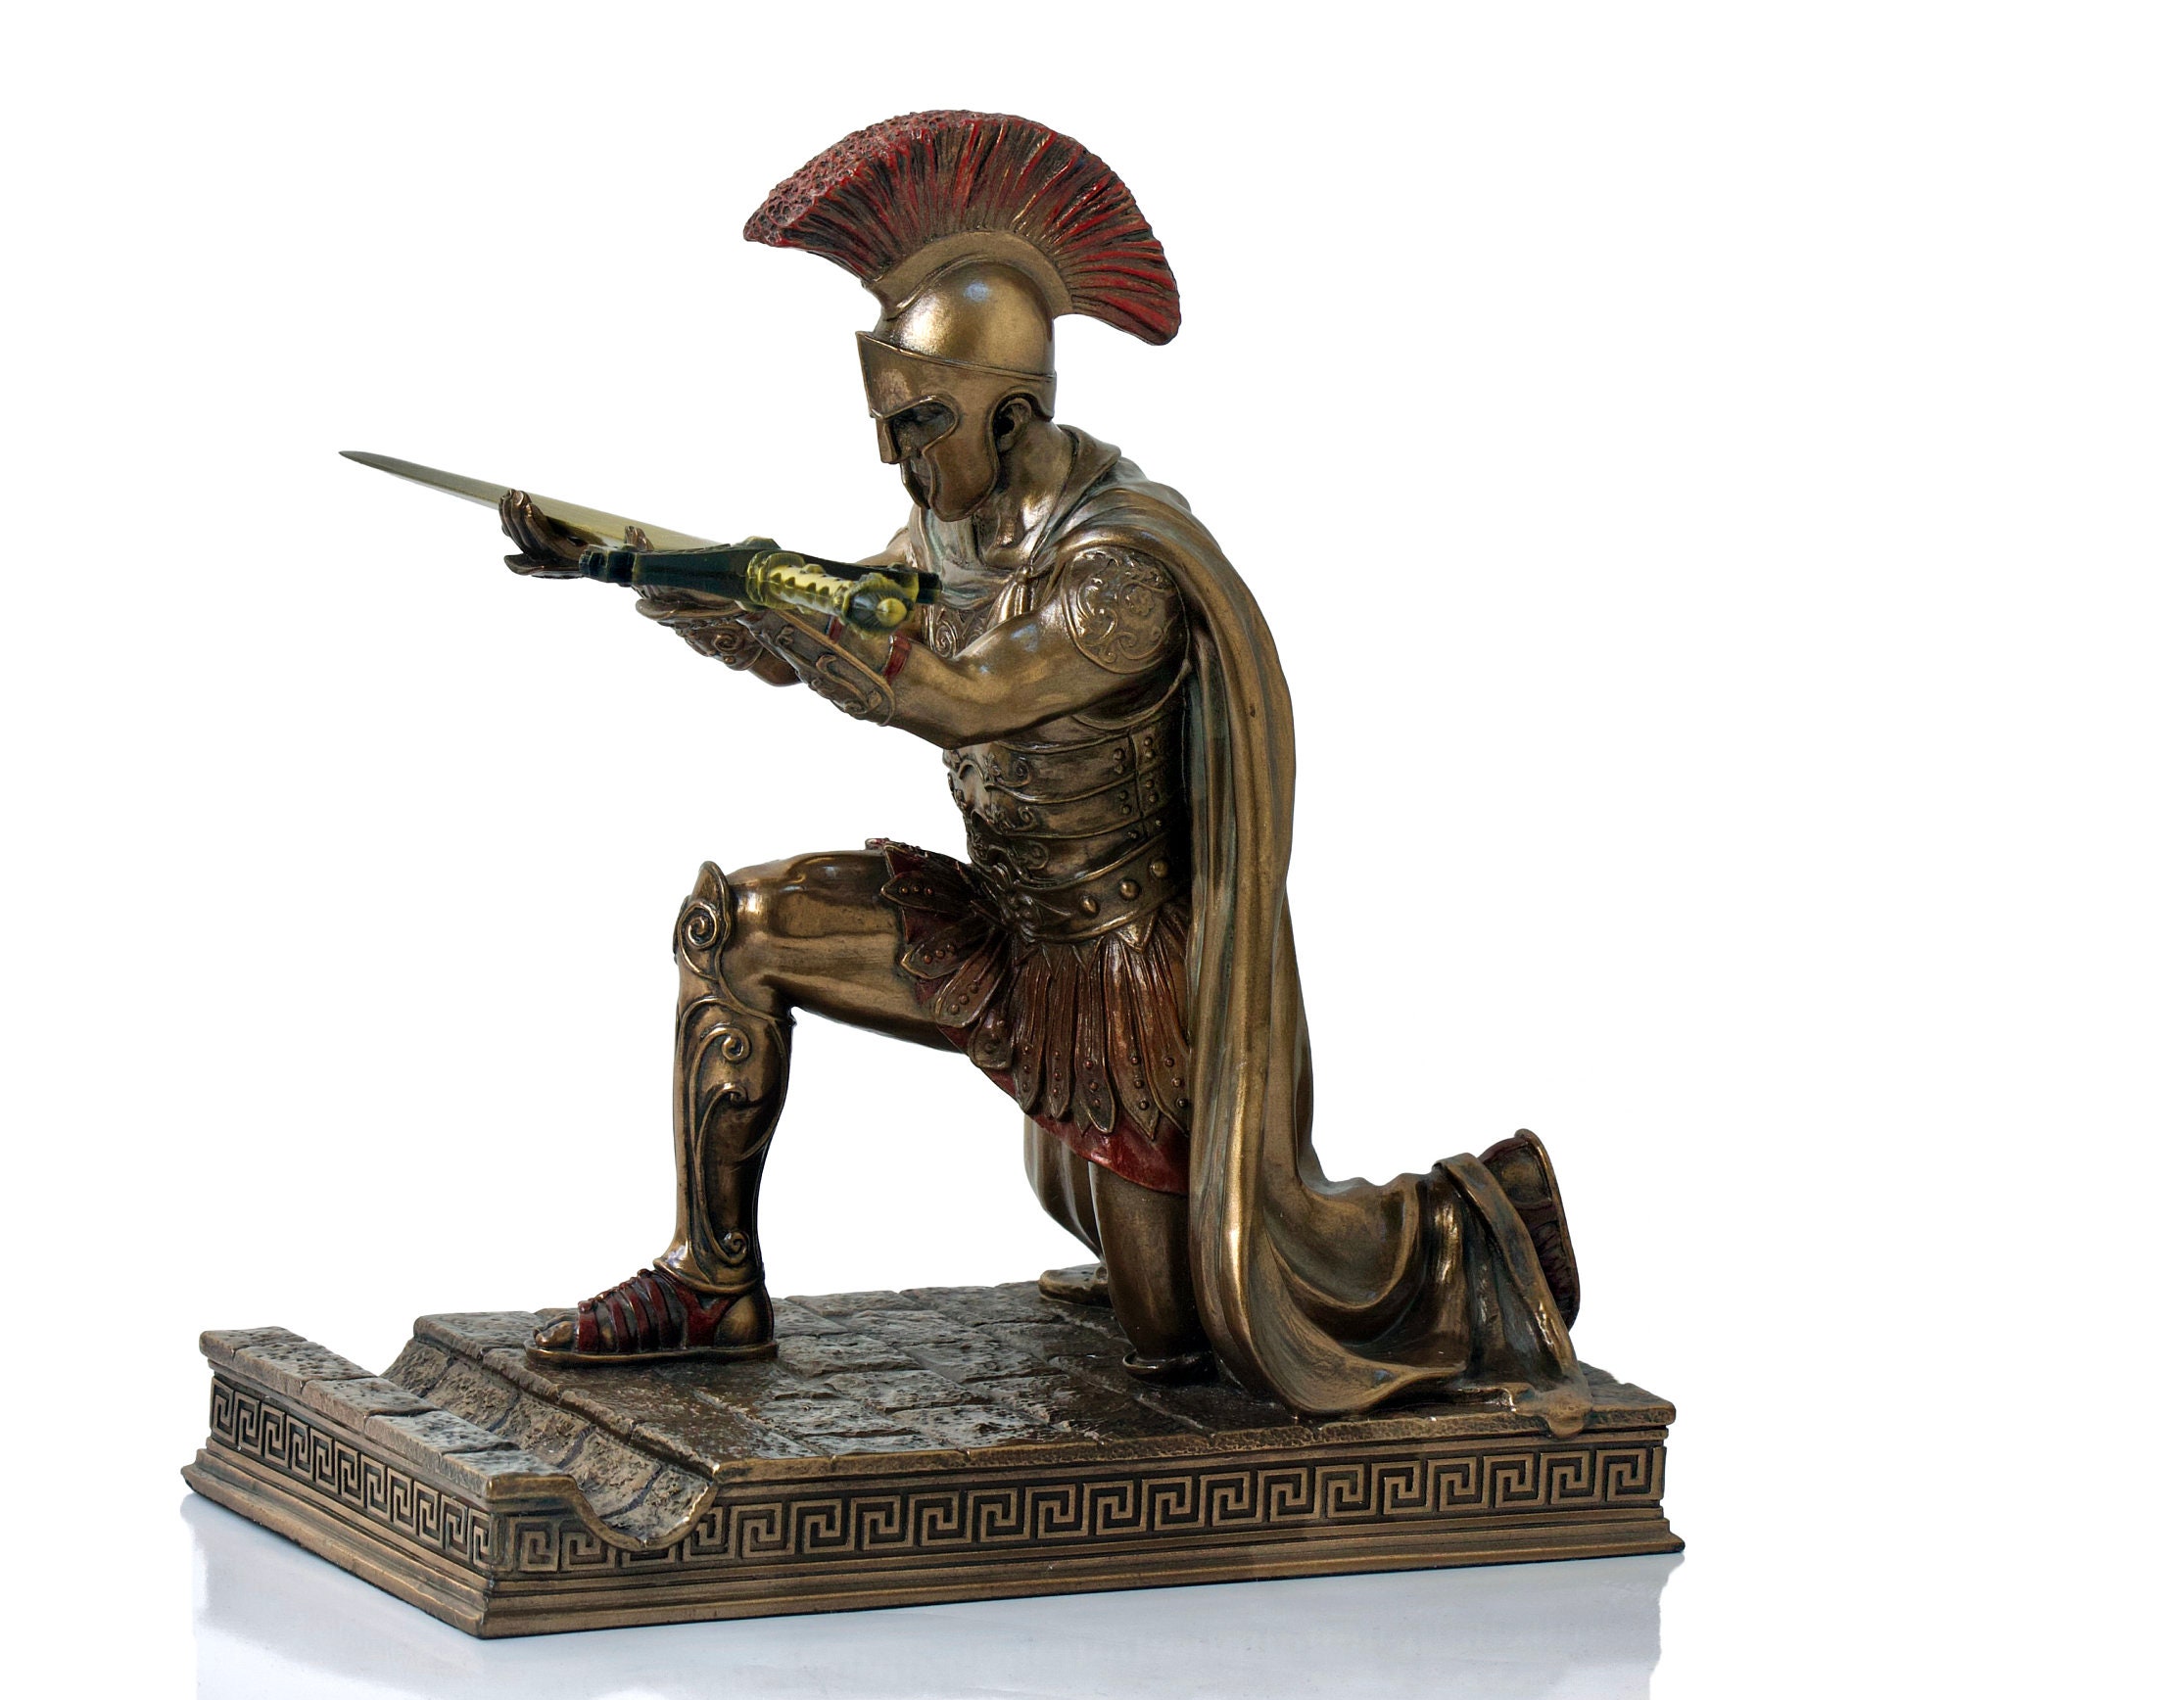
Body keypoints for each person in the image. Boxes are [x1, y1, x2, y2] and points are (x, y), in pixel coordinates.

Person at [500, 112, 1591, 1426]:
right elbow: (811, 625)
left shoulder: (1118, 574)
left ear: (1009, 417)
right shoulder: (950, 526)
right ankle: (709, 1277)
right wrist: (627, 559)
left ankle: (1476, 1224)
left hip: (1130, 987)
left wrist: (771, 586)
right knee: (736, 929)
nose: (895, 457)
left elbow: (954, 689)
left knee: (1176, 1338)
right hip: (1008, 930)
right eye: (890, 424)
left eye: (918, 425)